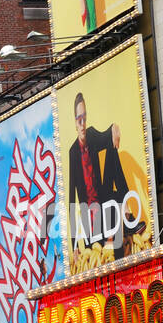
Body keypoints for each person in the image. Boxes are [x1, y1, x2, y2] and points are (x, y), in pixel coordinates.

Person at [66, 92, 142, 261]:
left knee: (111, 148)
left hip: (104, 199)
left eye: (85, 118)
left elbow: (108, 135)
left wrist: (114, 128)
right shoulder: (73, 152)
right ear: (75, 122)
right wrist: (74, 246)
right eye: (79, 120)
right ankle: (126, 214)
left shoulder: (92, 134)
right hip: (90, 218)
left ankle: (127, 211)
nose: (83, 124)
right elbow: (72, 199)